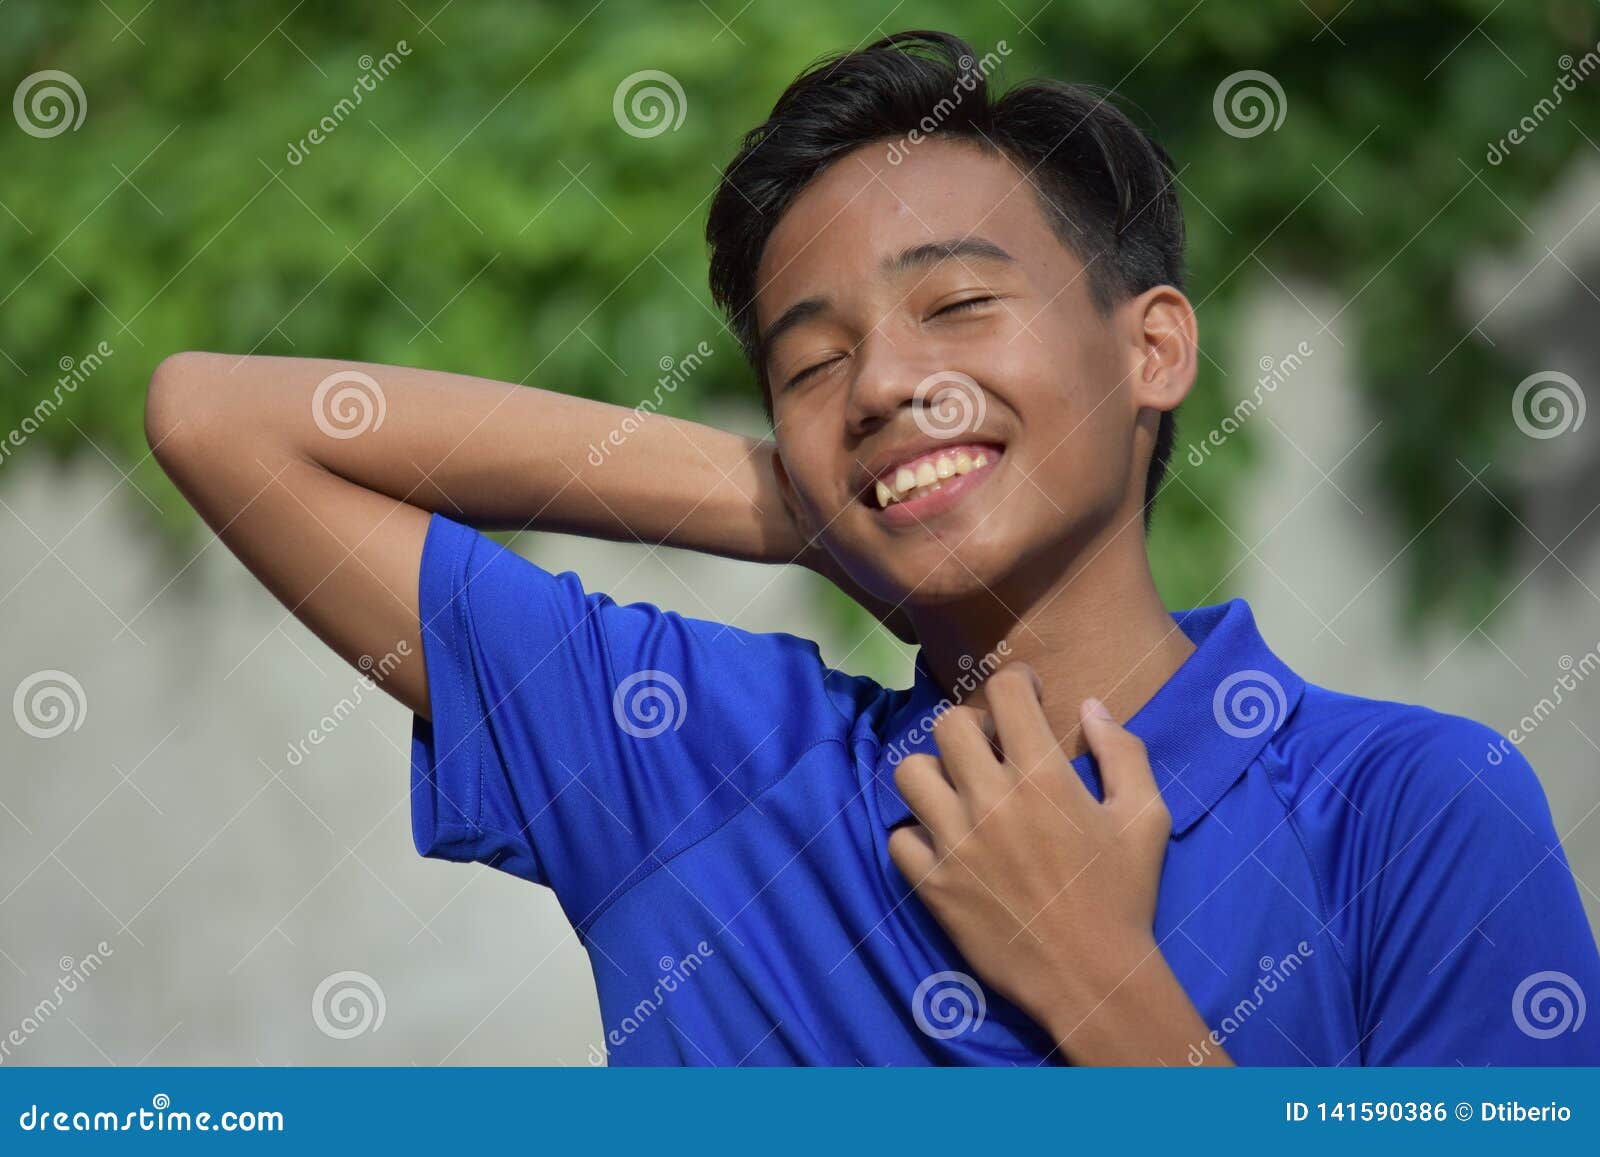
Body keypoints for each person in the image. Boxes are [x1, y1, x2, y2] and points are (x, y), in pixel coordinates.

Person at [144, 29, 1600, 1065]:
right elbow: (220, 418)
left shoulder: (1409, 810)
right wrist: (793, 502)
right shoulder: (696, 764)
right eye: (811, 359)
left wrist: (1097, 981)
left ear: (1151, 347)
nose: (890, 382)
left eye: (958, 305)